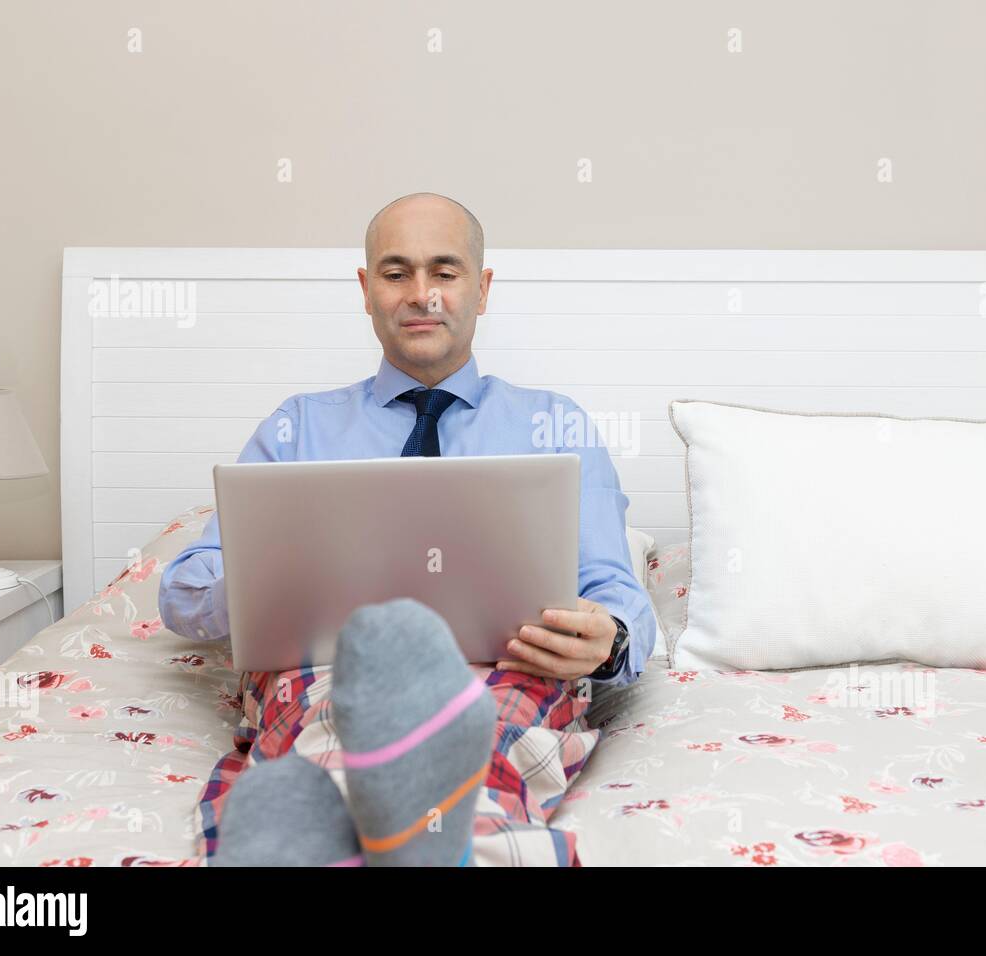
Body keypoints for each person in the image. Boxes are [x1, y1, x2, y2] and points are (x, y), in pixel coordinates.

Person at [158, 192, 657, 866]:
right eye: (397, 274)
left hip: (506, 670)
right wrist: (273, 576)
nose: (421, 295)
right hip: (324, 670)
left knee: (471, 742)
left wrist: (608, 638)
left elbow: (616, 591)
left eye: (444, 272)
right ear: (367, 291)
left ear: (481, 289)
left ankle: (323, 839)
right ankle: (433, 847)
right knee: (340, 719)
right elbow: (185, 591)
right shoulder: (298, 427)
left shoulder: (555, 425)